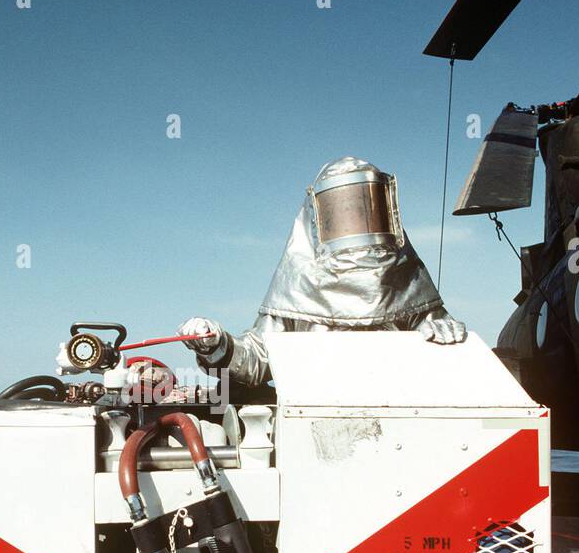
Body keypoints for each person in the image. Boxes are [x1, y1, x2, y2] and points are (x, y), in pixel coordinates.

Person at [180, 156, 467, 387]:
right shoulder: (296, 287)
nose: (355, 220)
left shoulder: (406, 280)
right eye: (343, 209)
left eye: (367, 208)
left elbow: (449, 364)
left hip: (402, 418)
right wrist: (215, 345)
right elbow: (258, 360)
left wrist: (443, 346)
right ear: (316, 218)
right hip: (315, 421)